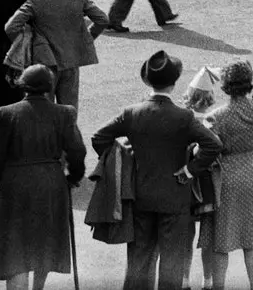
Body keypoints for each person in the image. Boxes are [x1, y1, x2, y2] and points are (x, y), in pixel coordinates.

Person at [90, 49, 222, 290]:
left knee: (139, 259)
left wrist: (123, 160)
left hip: (141, 195)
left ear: (147, 80)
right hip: (175, 196)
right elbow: (213, 145)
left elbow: (99, 137)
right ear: (173, 84)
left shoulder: (132, 112)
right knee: (172, 262)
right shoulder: (183, 116)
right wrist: (190, 170)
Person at [0, 62, 85, 290]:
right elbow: (77, 151)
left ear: (23, 86)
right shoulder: (65, 113)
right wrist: (73, 176)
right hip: (51, 183)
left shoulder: (6, 113)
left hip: (15, 185)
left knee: (16, 249)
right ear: (50, 86)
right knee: (45, 242)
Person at [198, 60, 253, 290]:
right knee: (251, 242)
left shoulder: (217, 116)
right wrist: (250, 72)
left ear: (225, 86)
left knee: (221, 243)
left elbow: (202, 147)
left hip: (224, 180)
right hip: (250, 177)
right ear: (248, 84)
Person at [4, 0, 108, 111]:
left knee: (45, 111)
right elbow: (103, 19)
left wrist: (28, 44)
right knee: (70, 110)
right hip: (71, 59)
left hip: (45, 62)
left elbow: (11, 27)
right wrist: (86, 37)